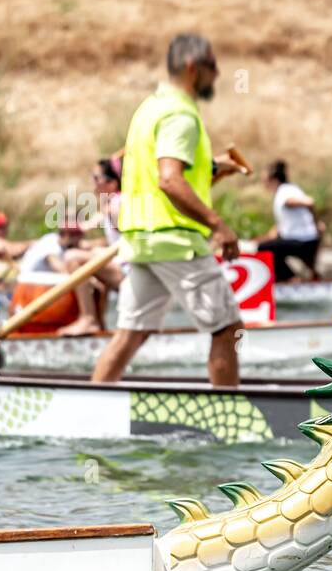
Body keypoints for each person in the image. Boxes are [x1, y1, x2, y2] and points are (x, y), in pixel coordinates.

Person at [91, 33, 246, 386]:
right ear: (193, 68)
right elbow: (170, 181)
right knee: (227, 329)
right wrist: (218, 226)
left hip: (142, 241)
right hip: (175, 240)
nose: (218, 73)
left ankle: (94, 402)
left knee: (132, 332)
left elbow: (152, 169)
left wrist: (215, 166)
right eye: (212, 65)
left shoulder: (149, 109)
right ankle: (231, 423)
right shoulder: (181, 116)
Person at [14, 220, 123, 335]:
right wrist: (91, 280)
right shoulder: (50, 245)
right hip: (33, 293)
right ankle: (89, 320)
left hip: (50, 290)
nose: (80, 242)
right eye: (78, 238)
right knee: (90, 279)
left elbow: (90, 245)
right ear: (66, 235)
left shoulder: (65, 243)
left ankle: (99, 326)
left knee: (98, 283)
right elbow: (61, 269)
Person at [255, 160, 321, 282]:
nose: (263, 183)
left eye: (264, 180)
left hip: (302, 241)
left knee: (264, 249)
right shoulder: (291, 188)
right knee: (270, 246)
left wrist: (315, 220)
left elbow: (307, 202)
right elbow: (280, 226)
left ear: (273, 179)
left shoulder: (283, 192)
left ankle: (291, 279)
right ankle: (305, 276)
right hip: (307, 238)